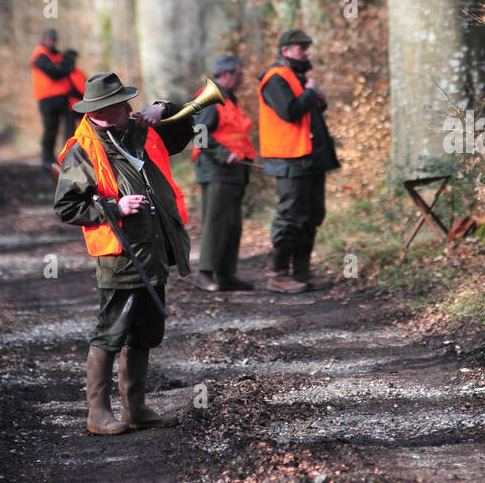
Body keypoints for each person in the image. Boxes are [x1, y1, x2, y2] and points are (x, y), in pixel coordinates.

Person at [53, 71, 194, 436]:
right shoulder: (80, 150)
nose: (129, 109)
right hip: (120, 253)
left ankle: (136, 408)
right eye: (121, 106)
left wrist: (162, 108)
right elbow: (67, 208)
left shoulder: (140, 131)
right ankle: (98, 415)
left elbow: (187, 130)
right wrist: (114, 208)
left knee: (146, 332)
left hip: (155, 249)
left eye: (129, 103)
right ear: (101, 112)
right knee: (110, 333)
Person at [258, 28, 339, 293]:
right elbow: (289, 112)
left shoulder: (297, 77)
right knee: (291, 216)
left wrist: (318, 99)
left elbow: (307, 114)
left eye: (307, 47)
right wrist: (310, 92)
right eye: (301, 48)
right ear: (285, 51)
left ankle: (302, 272)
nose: (306, 52)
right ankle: (278, 274)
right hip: (289, 159)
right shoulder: (275, 78)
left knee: (312, 215)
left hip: (309, 157)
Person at [192, 54, 256, 292]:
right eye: (240, 75)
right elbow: (198, 132)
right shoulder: (210, 97)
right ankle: (205, 274)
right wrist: (222, 154)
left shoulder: (230, 99)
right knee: (216, 222)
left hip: (235, 171)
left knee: (232, 223)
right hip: (216, 170)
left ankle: (226, 274)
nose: (242, 80)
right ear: (227, 74)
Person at [30, 30, 86, 169]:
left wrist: (62, 67)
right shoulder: (39, 56)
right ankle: (47, 160)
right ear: (43, 39)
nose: (52, 42)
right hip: (47, 99)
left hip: (62, 98)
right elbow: (54, 73)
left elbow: (65, 68)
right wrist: (62, 68)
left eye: (54, 39)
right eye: (49, 39)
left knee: (69, 130)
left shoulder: (56, 55)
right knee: (50, 129)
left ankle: (68, 157)